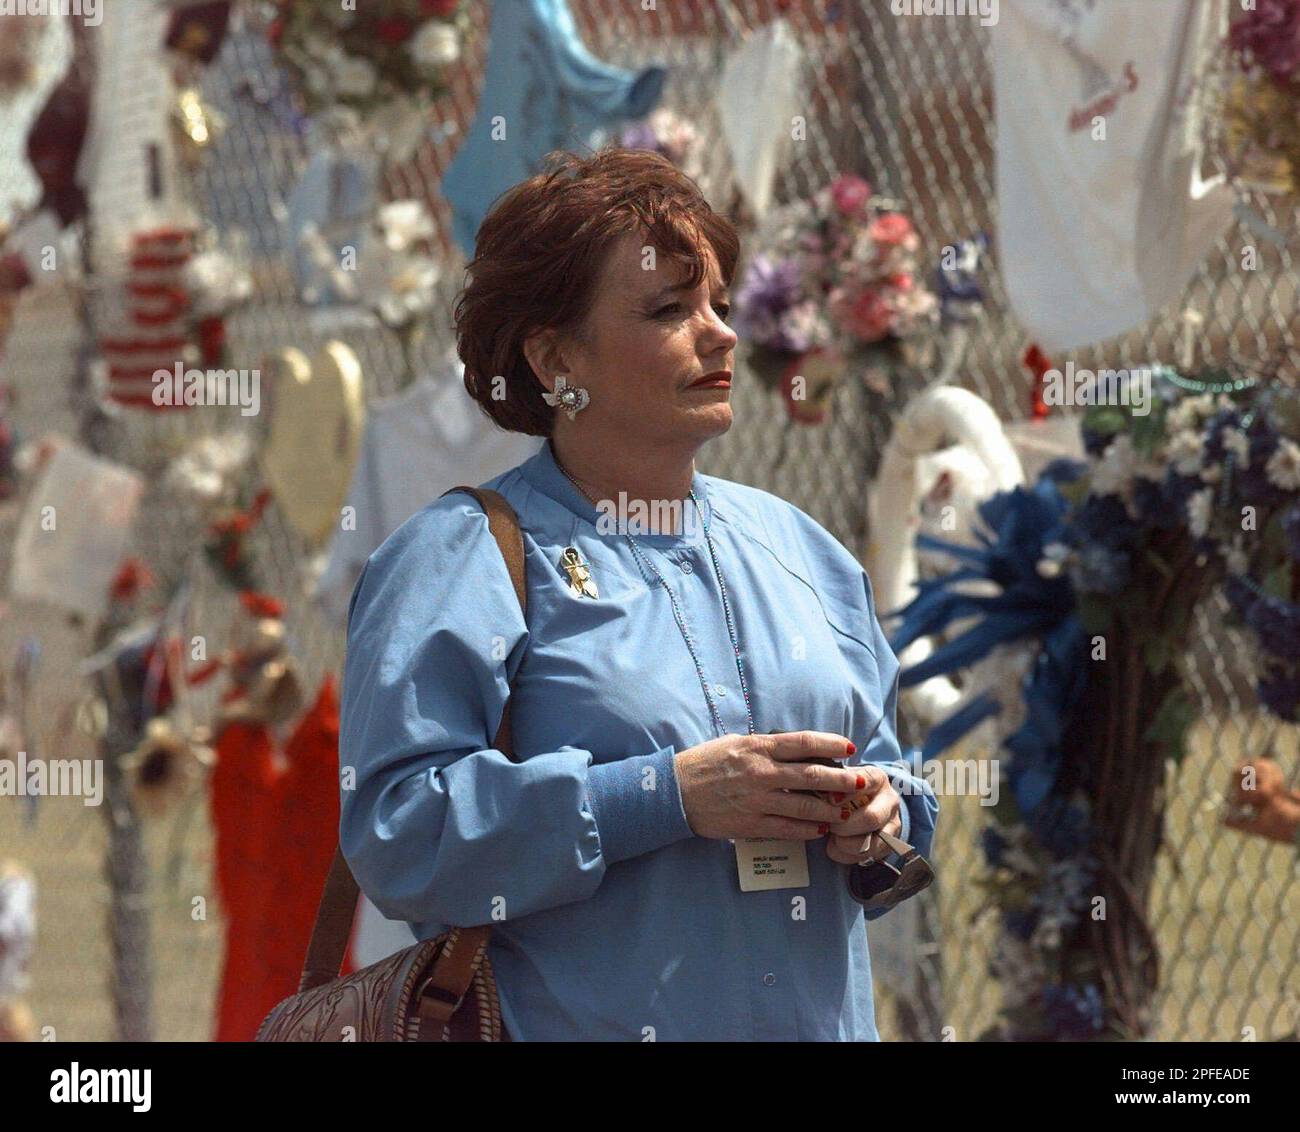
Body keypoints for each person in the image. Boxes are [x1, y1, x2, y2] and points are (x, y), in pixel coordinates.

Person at [338, 146, 939, 1041]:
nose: (721, 333)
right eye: (668, 310)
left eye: (719, 306)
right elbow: (400, 835)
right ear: (554, 358)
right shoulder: (461, 559)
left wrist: (885, 812)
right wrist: (664, 797)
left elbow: (898, 782)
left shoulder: (801, 550)